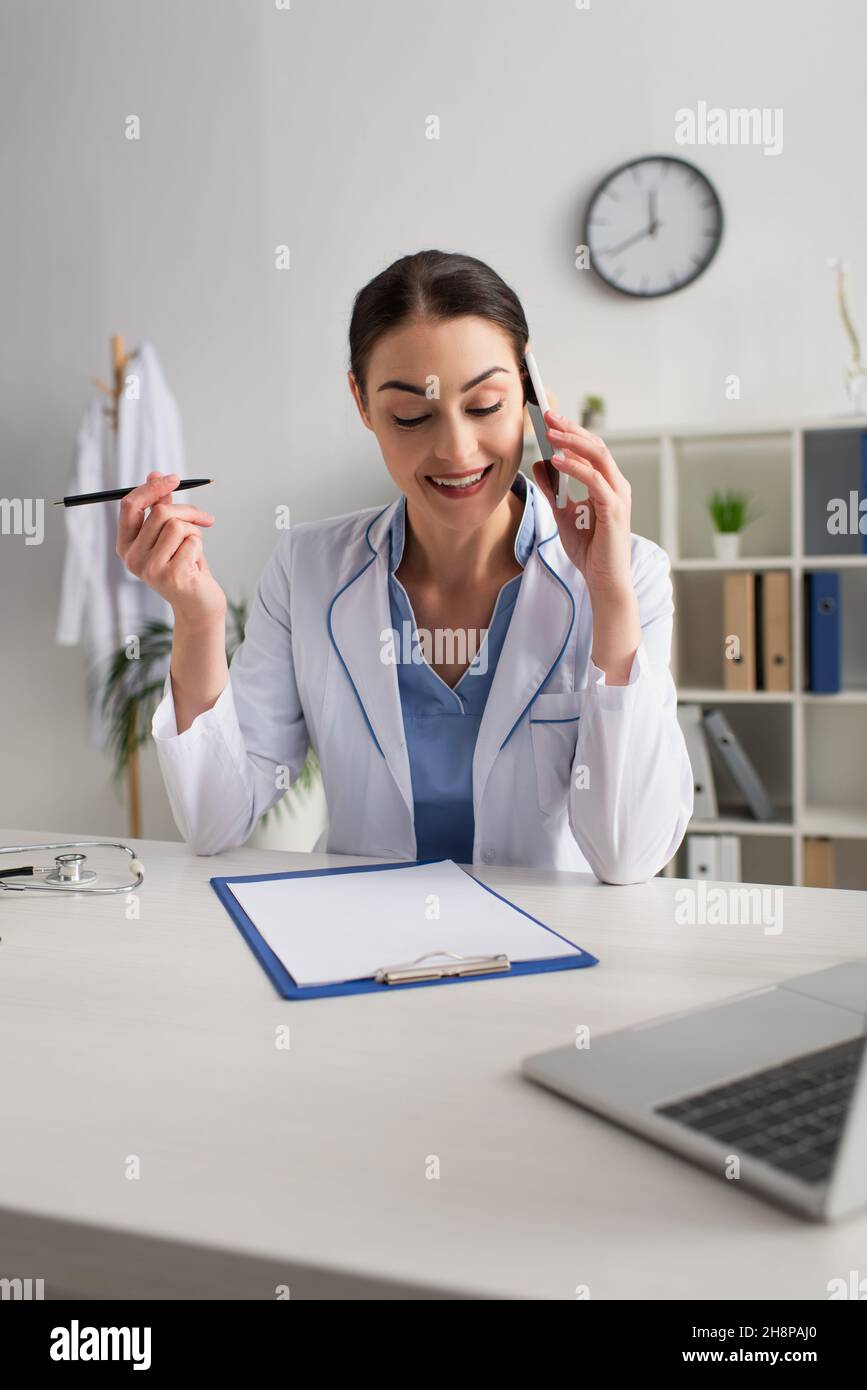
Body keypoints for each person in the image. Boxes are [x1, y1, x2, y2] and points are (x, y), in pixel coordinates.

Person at [116, 250, 693, 881]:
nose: (455, 449)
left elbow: (628, 855)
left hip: (554, 954)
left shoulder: (628, 574)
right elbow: (213, 819)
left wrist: (607, 595)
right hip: (363, 955)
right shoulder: (308, 568)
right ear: (362, 403)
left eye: (485, 406)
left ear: (531, 393)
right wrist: (198, 622)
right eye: (411, 415)